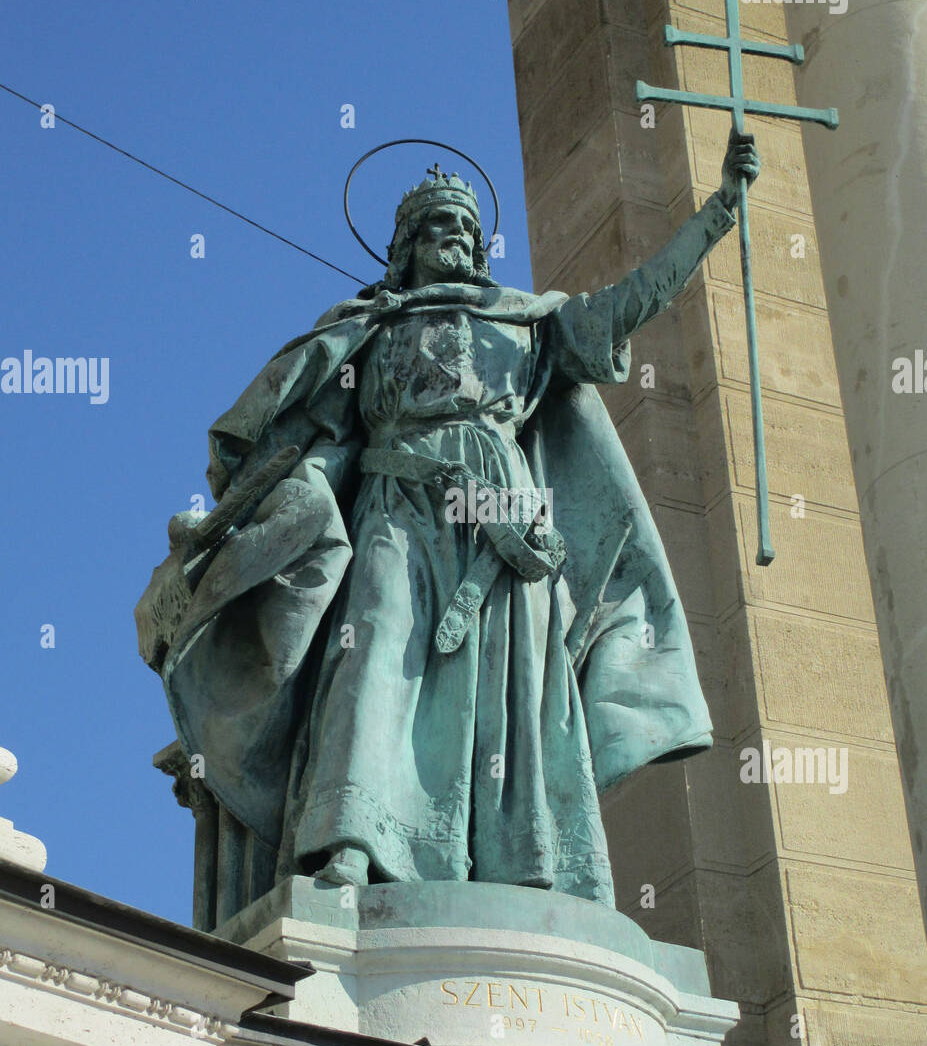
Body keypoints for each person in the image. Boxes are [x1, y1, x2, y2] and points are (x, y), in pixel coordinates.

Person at [138, 129, 760, 916]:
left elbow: (629, 302)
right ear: (404, 247)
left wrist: (715, 217)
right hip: (397, 508)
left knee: (514, 691)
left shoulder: (528, 324)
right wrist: (235, 520)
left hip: (503, 526)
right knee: (373, 655)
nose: (456, 241)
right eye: (438, 228)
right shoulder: (366, 326)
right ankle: (350, 844)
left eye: (467, 230)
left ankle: (528, 868)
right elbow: (293, 433)